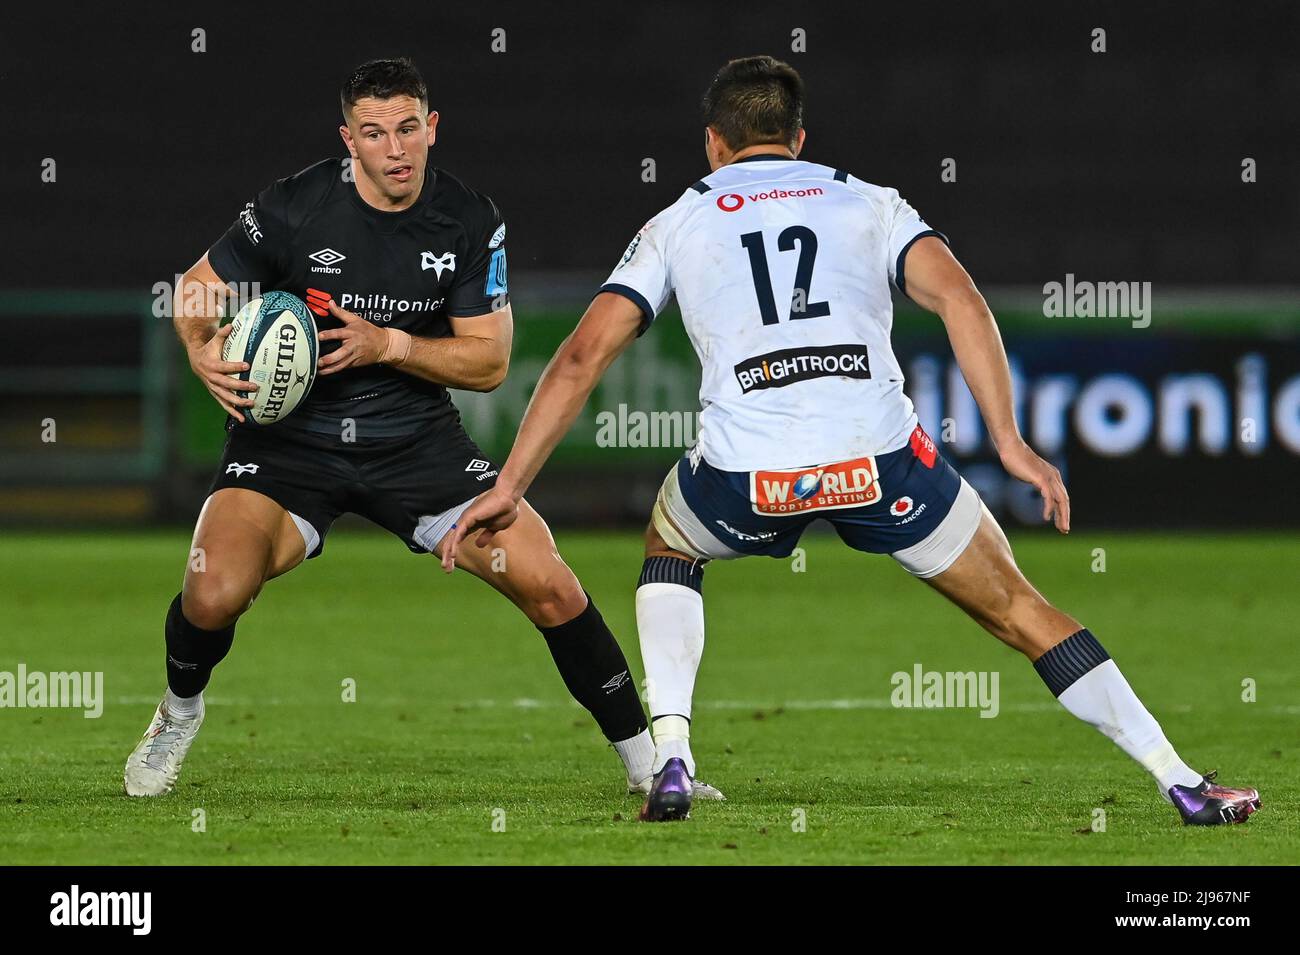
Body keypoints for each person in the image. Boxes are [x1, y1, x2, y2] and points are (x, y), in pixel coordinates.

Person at [442, 55, 1260, 826]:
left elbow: (583, 356)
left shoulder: (679, 218)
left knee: (669, 542)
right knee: (1020, 607)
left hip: (745, 475)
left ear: (713, 143)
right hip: (881, 461)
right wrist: (1009, 442)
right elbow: (962, 301)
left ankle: (675, 755)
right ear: (800, 139)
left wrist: (511, 483)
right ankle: (1182, 781)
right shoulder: (871, 201)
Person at [123, 57, 726, 805]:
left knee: (550, 584)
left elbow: (491, 361)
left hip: (417, 446)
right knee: (213, 592)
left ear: (432, 127)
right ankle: (179, 712)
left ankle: (648, 766)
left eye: (409, 128)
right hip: (289, 447)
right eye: (375, 134)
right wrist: (200, 344)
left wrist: (389, 345)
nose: (396, 149)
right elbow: (195, 289)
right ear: (349, 139)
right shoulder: (294, 206)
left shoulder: (468, 218)